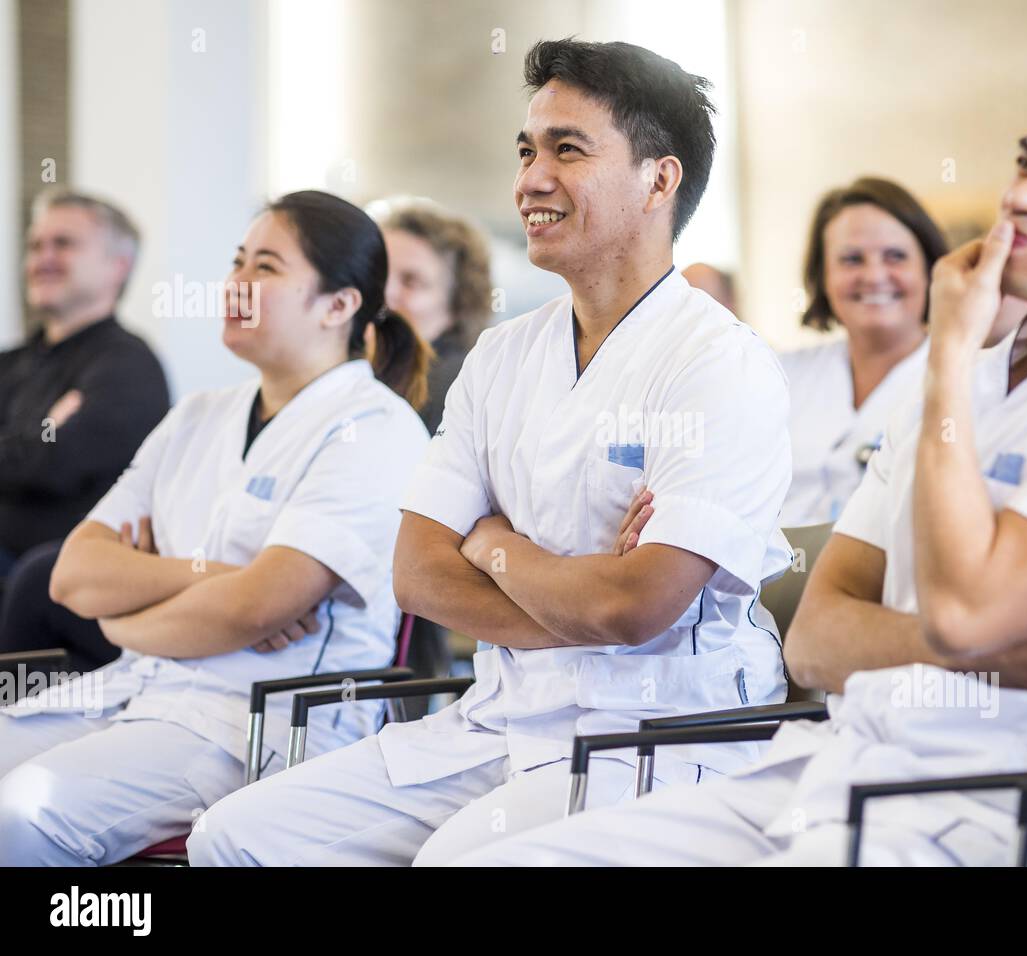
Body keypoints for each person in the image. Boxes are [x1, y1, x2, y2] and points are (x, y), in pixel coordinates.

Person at [449, 54, 1027, 867]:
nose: (1020, 198)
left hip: (994, 809)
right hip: (831, 767)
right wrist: (970, 651)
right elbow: (818, 643)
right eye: (1025, 163)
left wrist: (943, 356)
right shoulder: (974, 380)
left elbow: (963, 615)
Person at [188, 38, 791, 867]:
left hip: (657, 732)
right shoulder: (504, 356)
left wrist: (494, 543)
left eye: (567, 149)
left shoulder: (718, 362)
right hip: (502, 717)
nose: (531, 179)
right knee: (237, 835)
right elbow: (419, 574)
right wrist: (576, 591)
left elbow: (635, 607)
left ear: (660, 178)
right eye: (527, 149)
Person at [0, 190, 430, 865]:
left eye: (266, 267)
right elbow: (75, 574)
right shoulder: (200, 414)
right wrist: (214, 581)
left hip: (257, 727)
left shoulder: (375, 430)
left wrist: (129, 610)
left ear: (338, 305)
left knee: (23, 815)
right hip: (136, 689)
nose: (236, 284)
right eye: (236, 263)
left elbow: (256, 608)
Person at [0, 190, 168, 578]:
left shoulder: (128, 366)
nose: (43, 259)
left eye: (63, 244)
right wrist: (35, 435)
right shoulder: (11, 363)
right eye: (35, 245)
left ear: (118, 266)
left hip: (59, 581)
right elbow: (33, 455)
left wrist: (28, 445)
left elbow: (50, 465)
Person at [779, 178, 947, 525]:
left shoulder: (967, 378)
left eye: (895, 256)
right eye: (852, 259)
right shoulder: (777, 376)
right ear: (822, 276)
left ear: (930, 269)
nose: (874, 276)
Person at [368, 195, 493, 431]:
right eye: (378, 273)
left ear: (458, 306)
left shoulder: (454, 388)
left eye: (411, 281)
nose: (385, 293)